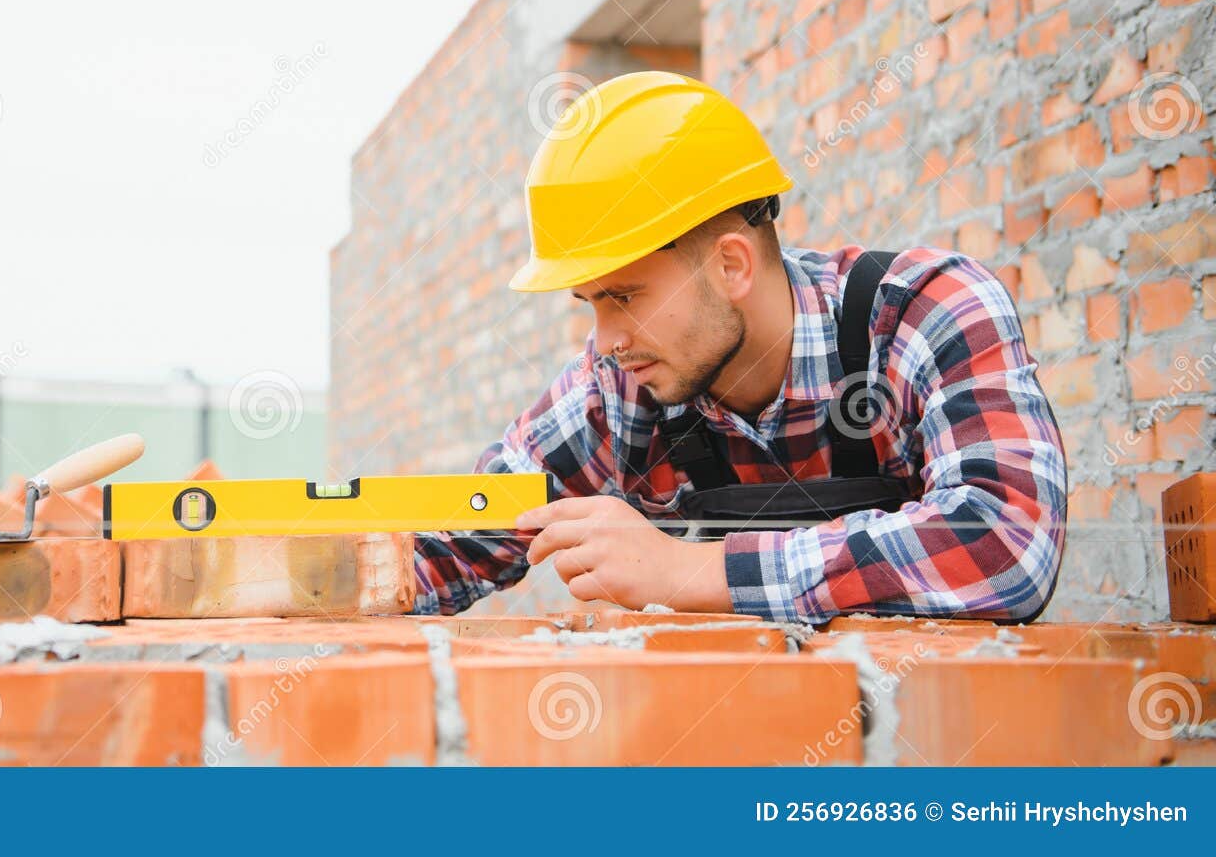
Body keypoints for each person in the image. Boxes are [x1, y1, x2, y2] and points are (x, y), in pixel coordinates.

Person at [412, 71, 1067, 622]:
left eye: (626, 296)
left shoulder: (922, 316)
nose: (606, 341)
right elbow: (458, 537)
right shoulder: (617, 390)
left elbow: (1003, 539)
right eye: (589, 303)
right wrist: (331, 566)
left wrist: (689, 570)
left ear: (732, 266)